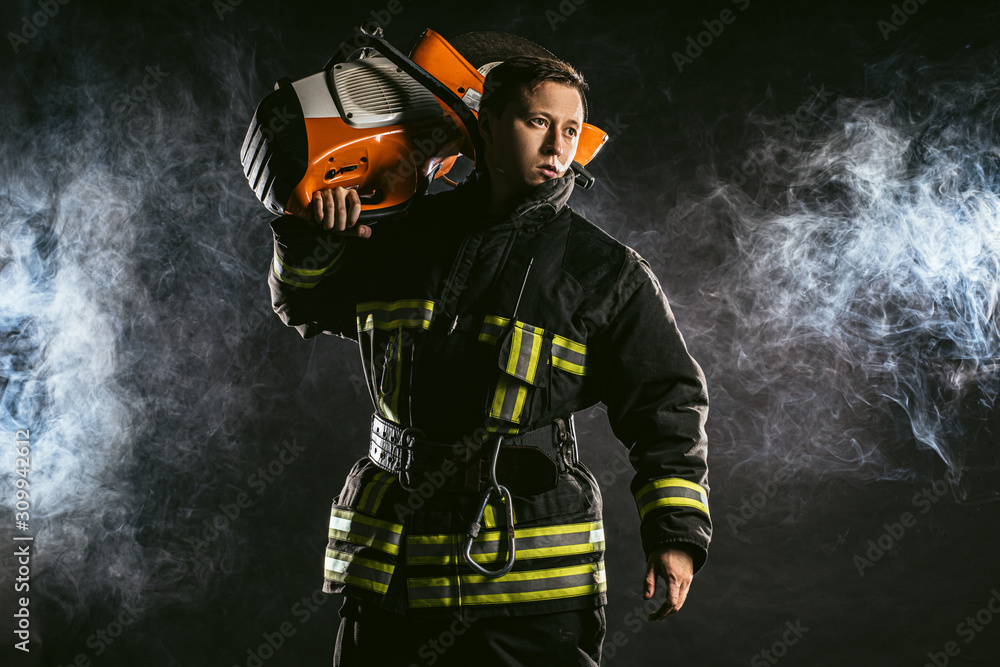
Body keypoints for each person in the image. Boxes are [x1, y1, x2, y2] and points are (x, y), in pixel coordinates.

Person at [267, 54, 711, 666]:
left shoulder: (602, 271)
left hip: (527, 589)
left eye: (571, 130)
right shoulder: (400, 233)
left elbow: (667, 403)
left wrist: (676, 538)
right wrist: (314, 234)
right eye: (537, 122)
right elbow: (306, 307)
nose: (558, 145)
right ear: (487, 123)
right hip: (392, 574)